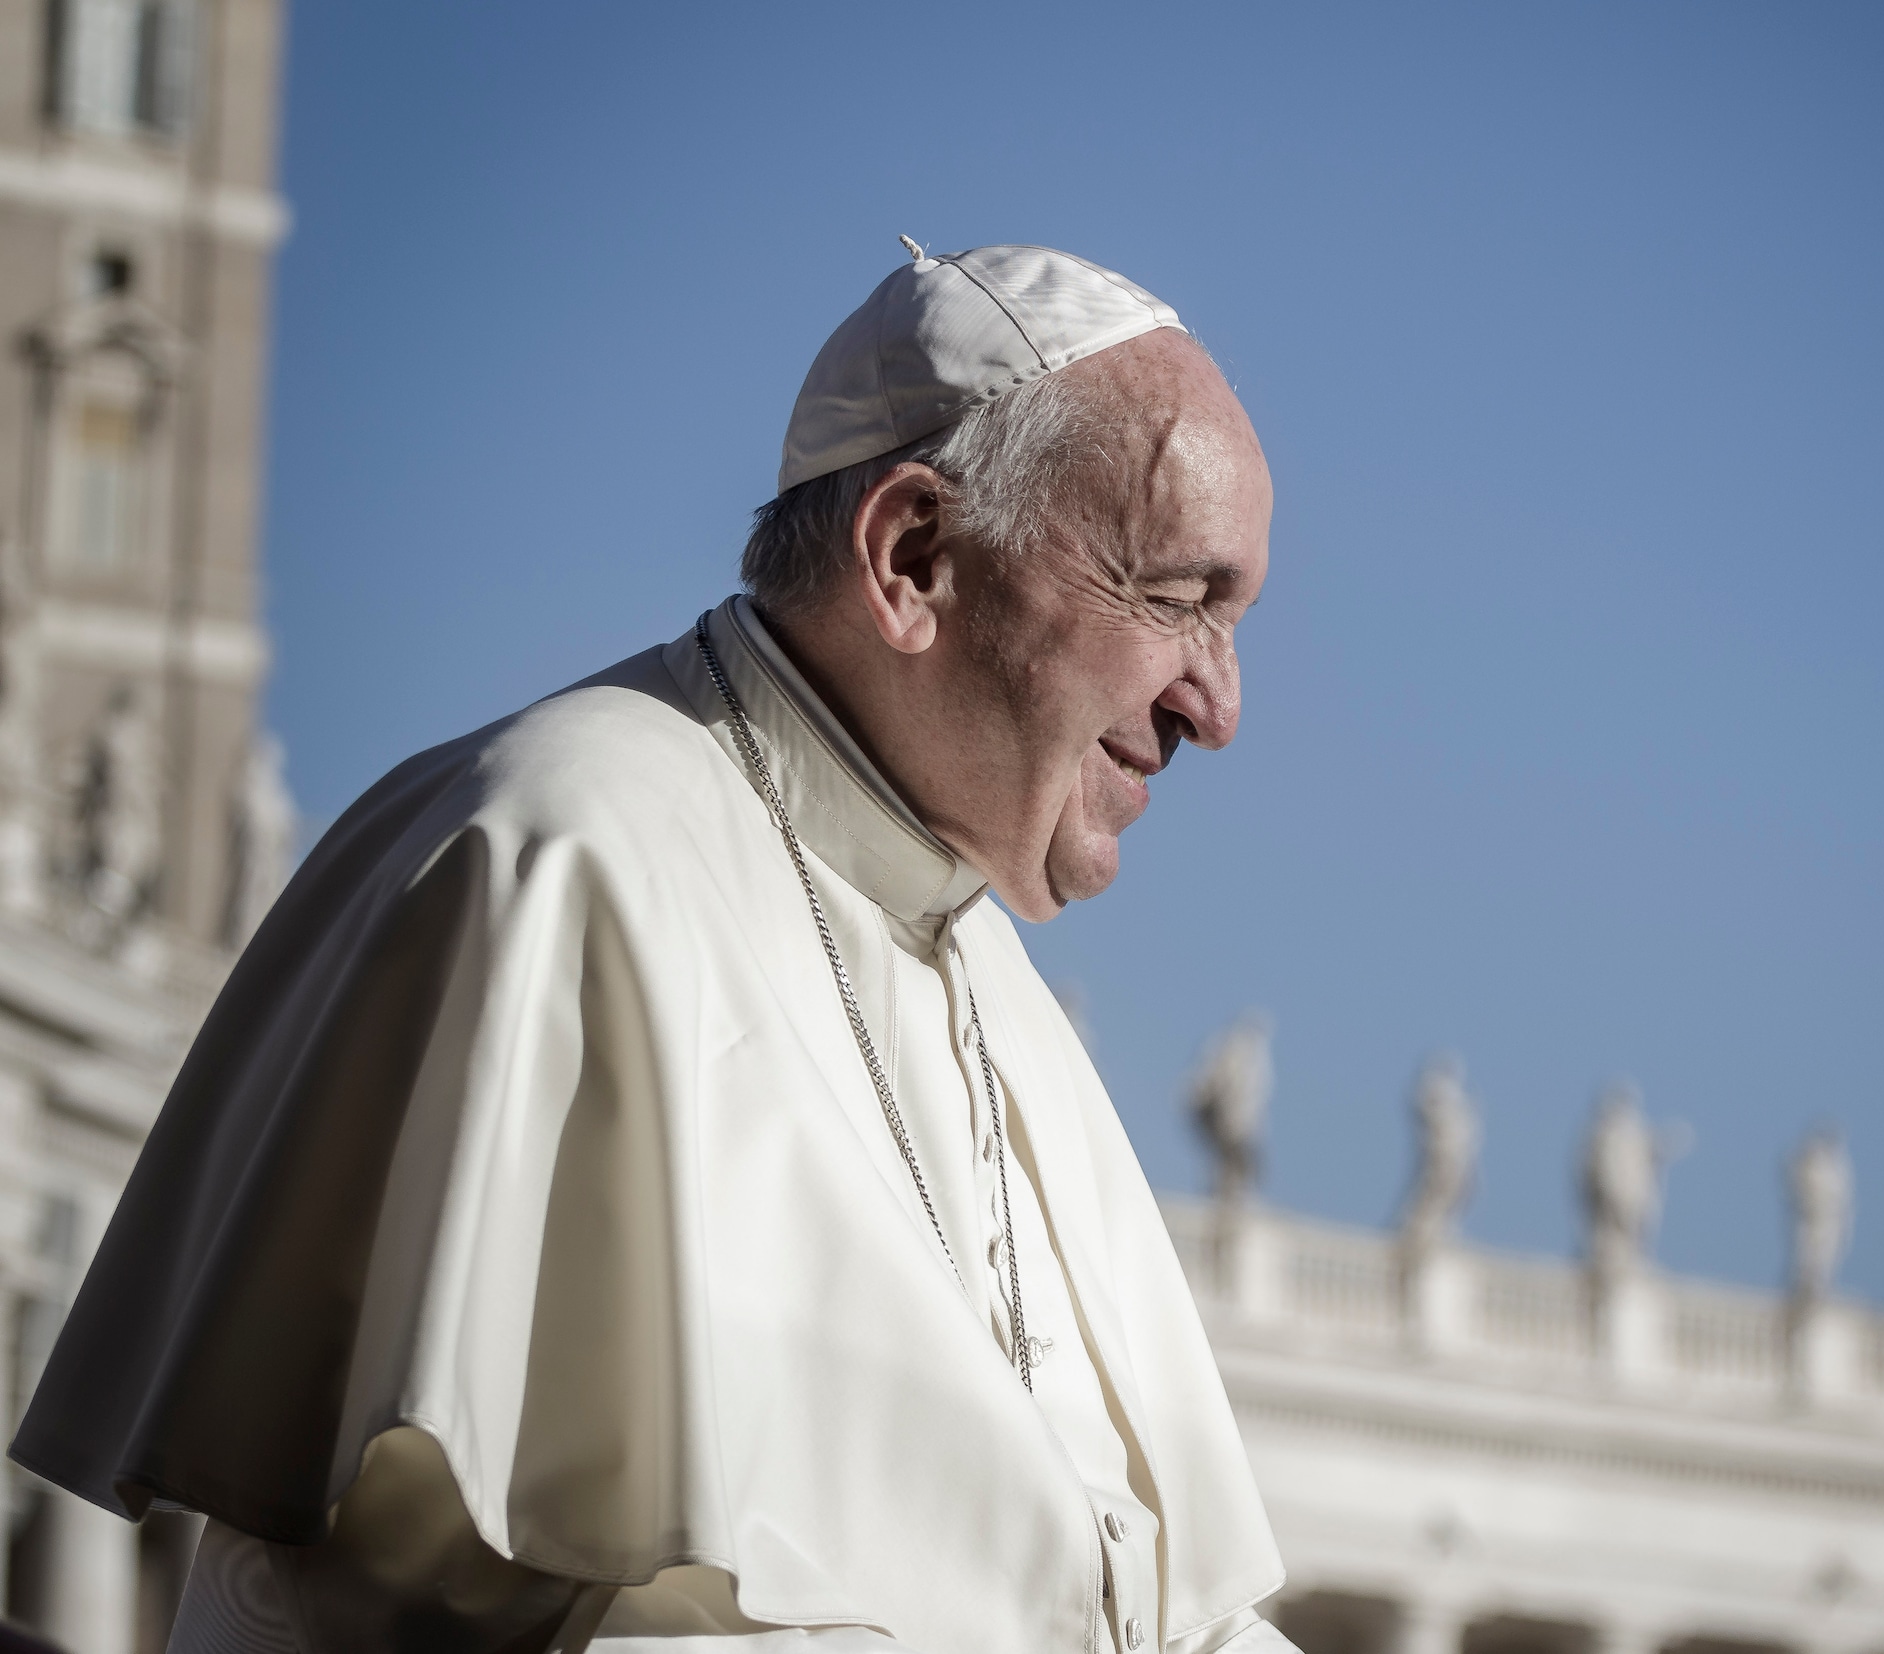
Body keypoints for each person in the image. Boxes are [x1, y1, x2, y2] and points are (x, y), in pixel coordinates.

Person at [11, 243, 1292, 1654]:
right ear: (915, 554)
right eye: (1176, 600)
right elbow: (465, 1608)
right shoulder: (554, 860)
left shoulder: (1001, 993)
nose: (1217, 708)